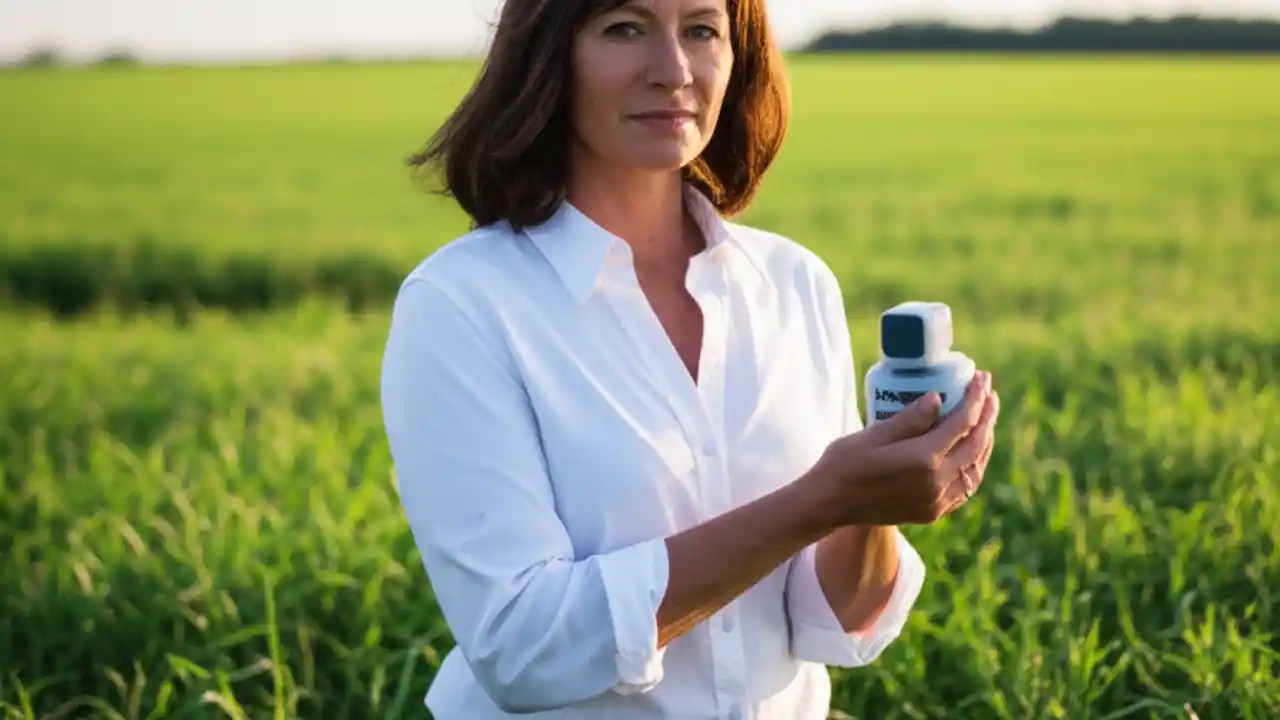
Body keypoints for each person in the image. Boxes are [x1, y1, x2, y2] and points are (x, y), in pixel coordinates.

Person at [379, 0, 1001, 717]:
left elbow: (830, 623)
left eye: (702, 30)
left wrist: (872, 509)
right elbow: (523, 646)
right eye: (625, 29)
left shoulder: (794, 284)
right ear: (548, 55)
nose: (673, 71)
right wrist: (820, 501)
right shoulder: (463, 304)